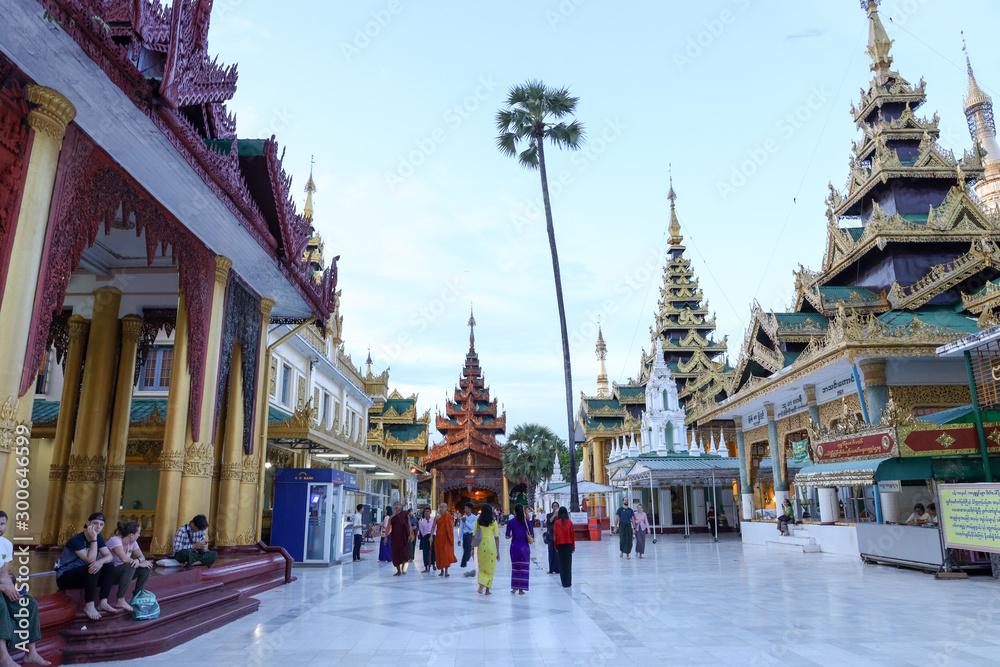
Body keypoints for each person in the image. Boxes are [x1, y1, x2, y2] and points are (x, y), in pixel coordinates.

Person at [0, 511, 48, 665]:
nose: (0, 528)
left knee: (29, 603)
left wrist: (12, 589)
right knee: (1, 605)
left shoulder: (5, 544)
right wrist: (4, 589)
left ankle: (31, 652)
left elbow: (4, 574)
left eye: (2, 524)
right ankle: (3, 657)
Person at [54, 512, 116, 621]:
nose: (98, 527)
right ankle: (89, 605)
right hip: (65, 577)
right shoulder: (76, 539)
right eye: (95, 523)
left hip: (84, 575)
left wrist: (101, 561)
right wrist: (94, 539)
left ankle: (103, 602)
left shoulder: (99, 538)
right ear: (88, 523)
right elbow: (90, 559)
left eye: (101, 524)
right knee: (93, 567)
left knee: (109, 566)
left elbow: (109, 556)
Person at [106, 520, 153, 613]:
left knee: (147, 567)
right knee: (130, 566)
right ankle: (120, 600)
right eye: (138, 533)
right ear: (131, 535)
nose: (139, 535)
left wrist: (138, 561)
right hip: (108, 574)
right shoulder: (115, 540)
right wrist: (138, 563)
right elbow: (124, 559)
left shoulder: (132, 542)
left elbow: (142, 557)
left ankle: (137, 596)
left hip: (123, 573)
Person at [505, 503, 534, 595]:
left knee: (515, 568)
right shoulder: (527, 521)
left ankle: (514, 588)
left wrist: (512, 535)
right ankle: (521, 589)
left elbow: (507, 536)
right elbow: (531, 534)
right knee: (524, 568)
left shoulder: (511, 522)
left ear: (515, 511)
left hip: (515, 547)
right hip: (524, 547)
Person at [475, 504, 500, 595]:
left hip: (481, 546)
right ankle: (487, 590)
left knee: (482, 567)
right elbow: (496, 537)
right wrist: (498, 551)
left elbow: (475, 535)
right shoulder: (494, 522)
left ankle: (481, 585)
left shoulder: (478, 521)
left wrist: (472, 548)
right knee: (490, 568)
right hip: (490, 546)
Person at [553, 506, 575, 588]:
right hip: (568, 545)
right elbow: (572, 536)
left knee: (561, 564)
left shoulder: (556, 523)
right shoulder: (569, 522)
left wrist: (555, 546)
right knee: (568, 564)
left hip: (560, 545)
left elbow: (555, 535)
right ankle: (568, 582)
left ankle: (563, 582)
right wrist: (573, 547)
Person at [388, 502, 412, 576]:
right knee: (395, 553)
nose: (396, 506)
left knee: (404, 553)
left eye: (398, 505)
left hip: (403, 536)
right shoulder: (392, 517)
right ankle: (398, 571)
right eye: (395, 505)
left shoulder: (405, 514)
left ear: (401, 506)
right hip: (395, 537)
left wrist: (410, 534)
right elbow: (388, 527)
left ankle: (403, 567)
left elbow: (409, 524)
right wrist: (385, 537)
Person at [434, 503, 457, 577]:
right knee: (440, 554)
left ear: (446, 508)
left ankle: (446, 571)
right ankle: (442, 571)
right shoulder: (437, 517)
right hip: (439, 538)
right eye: (440, 507)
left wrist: (452, 537)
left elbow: (451, 528)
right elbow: (433, 527)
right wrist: (431, 536)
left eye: (442, 507)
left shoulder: (449, 517)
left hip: (447, 538)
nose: (441, 508)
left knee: (446, 554)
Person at [458, 503, 476, 568]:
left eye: (466, 508)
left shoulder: (474, 518)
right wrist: (459, 539)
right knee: (465, 550)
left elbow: (472, 527)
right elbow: (461, 528)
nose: (465, 510)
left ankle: (470, 563)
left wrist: (465, 522)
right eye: (464, 508)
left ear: (470, 509)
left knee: (470, 549)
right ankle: (464, 564)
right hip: (465, 536)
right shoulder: (463, 518)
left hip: (471, 535)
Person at [545, 502, 561, 575]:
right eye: (554, 506)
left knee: (558, 553)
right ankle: (551, 569)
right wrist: (554, 515)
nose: (555, 507)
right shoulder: (549, 515)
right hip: (551, 536)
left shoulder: (560, 516)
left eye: (556, 506)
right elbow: (549, 522)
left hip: (558, 536)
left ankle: (558, 569)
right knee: (551, 552)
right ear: (552, 507)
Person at [418, 508, 436, 572]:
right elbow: (421, 530)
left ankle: (433, 563)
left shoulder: (433, 520)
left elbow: (435, 528)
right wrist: (425, 536)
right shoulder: (422, 521)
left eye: (428, 511)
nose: (426, 513)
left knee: (433, 551)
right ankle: (426, 566)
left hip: (433, 536)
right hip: (425, 537)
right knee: (425, 552)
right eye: (425, 512)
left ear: (430, 512)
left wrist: (432, 535)